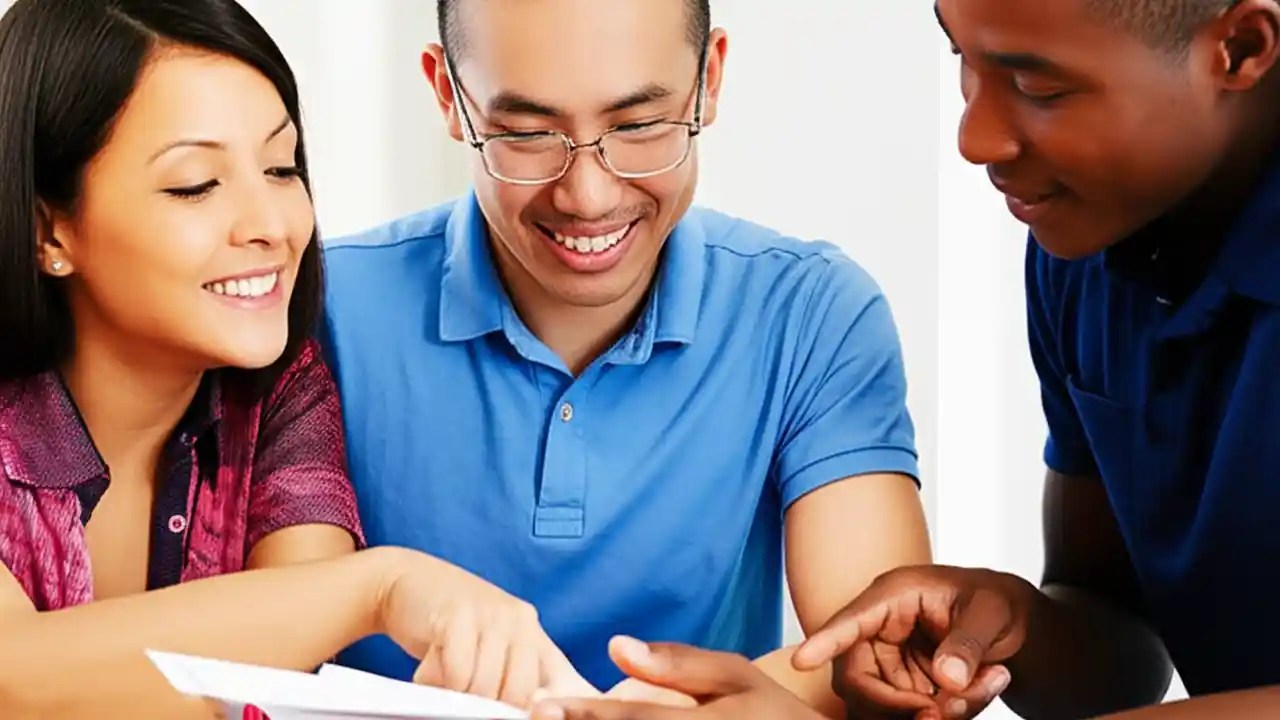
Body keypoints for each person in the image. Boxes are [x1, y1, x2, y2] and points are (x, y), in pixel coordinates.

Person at [320, 0, 930, 713]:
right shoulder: (318, 314)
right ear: (448, 97)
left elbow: (877, 653)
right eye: (526, 133)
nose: (589, 195)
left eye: (639, 127)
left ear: (709, 82)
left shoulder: (810, 313)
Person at [0, 1, 594, 717]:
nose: (273, 227)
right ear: (47, 231)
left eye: (281, 169)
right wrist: (382, 587)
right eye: (195, 184)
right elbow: (15, 680)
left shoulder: (284, 396)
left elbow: (274, 682)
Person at [781, 0, 1280, 718]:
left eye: (1040, 88)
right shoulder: (1087, 246)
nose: (973, 139)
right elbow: (1119, 644)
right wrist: (1011, 626)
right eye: (961, 58)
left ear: (1239, 47)